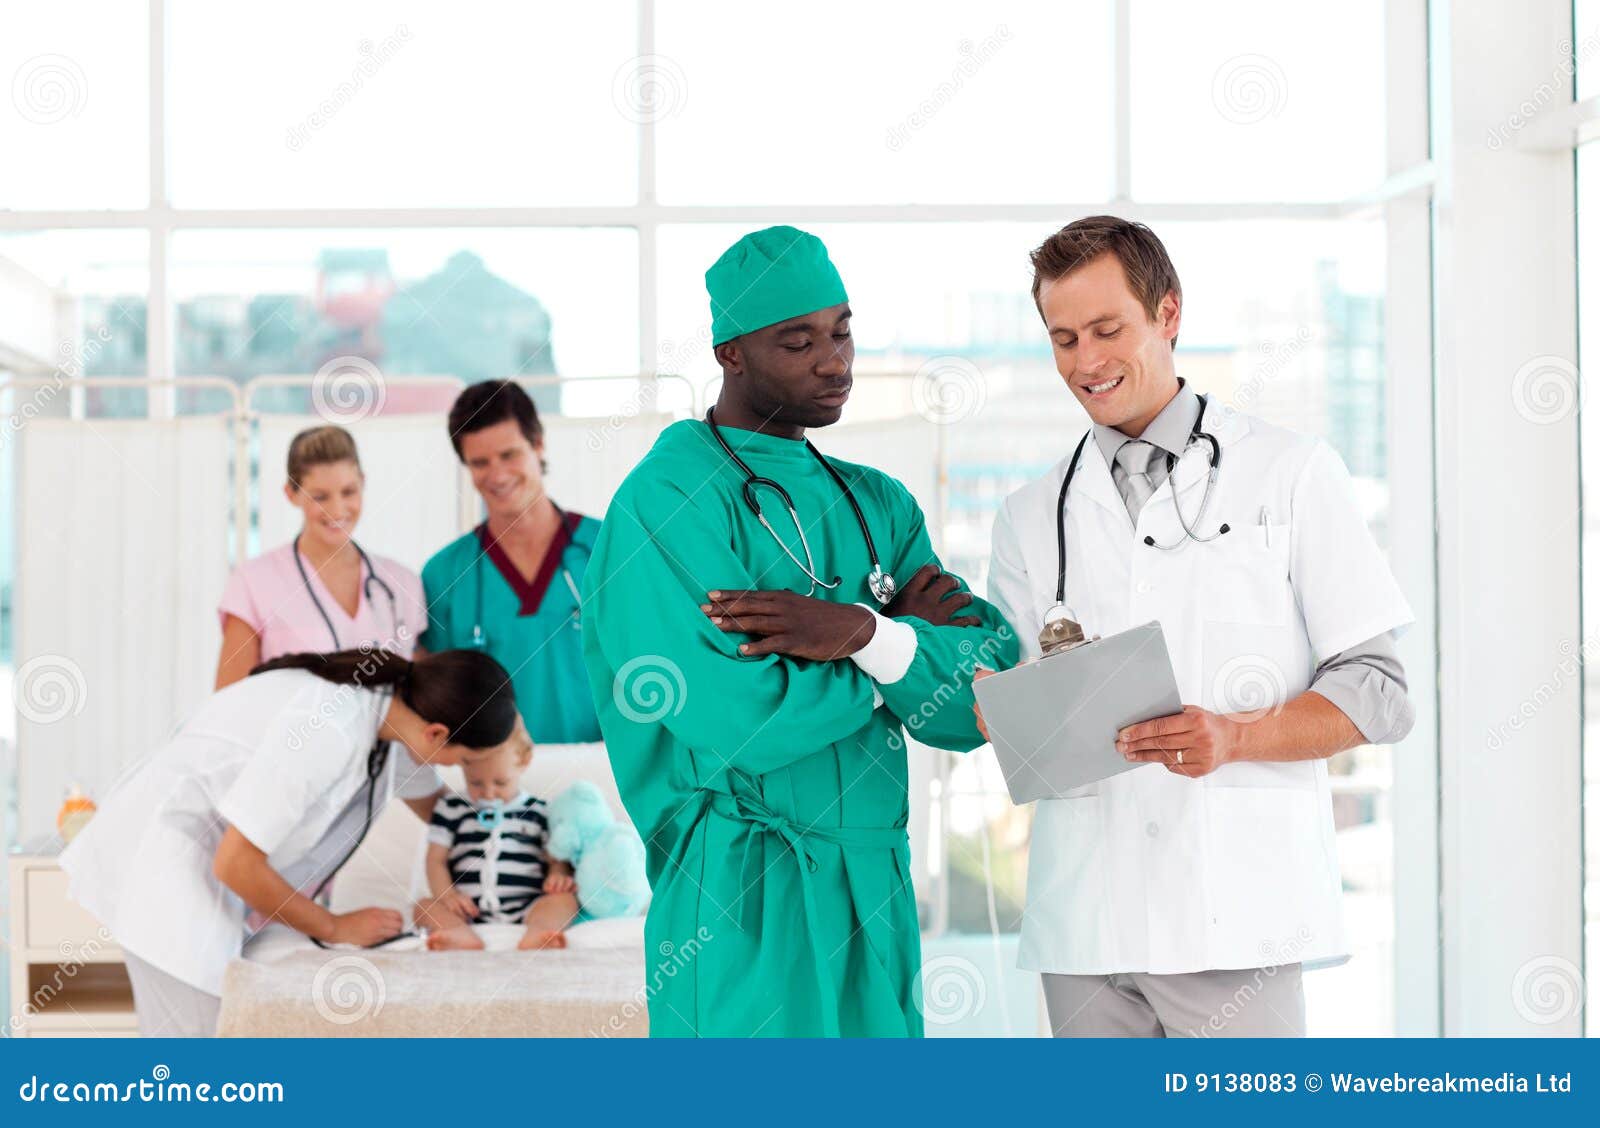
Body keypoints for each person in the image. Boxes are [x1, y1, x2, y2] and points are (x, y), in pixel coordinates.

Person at [981, 216, 1415, 1037]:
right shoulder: (1030, 516)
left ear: (1169, 313)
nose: (1087, 361)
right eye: (1064, 338)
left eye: (1108, 329)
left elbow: (1381, 693)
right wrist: (998, 714)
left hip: (1237, 919)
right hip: (1086, 927)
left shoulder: (1289, 472)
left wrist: (1237, 736)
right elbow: (1018, 713)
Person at [581, 226, 1020, 1037]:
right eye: (798, 340)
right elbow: (741, 721)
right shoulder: (666, 504)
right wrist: (901, 654)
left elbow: (980, 700)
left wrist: (857, 632)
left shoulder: (877, 502)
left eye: (842, 330)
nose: (834, 360)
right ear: (730, 354)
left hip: (874, 885)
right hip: (741, 895)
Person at [59, 648, 519, 1036]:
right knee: (190, 1059)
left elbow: (446, 813)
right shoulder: (329, 729)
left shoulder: (393, 721)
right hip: (163, 860)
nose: (462, 774)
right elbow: (236, 864)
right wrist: (334, 927)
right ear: (436, 734)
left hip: (196, 866)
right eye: (464, 762)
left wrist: (527, 820)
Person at [421, 381, 601, 743]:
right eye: (480, 462)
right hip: (496, 786)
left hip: (605, 775)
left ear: (538, 445)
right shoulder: (444, 575)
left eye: (509, 455)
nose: (497, 475)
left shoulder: (606, 548)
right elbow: (439, 698)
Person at [215, 425, 427, 689]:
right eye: (319, 497)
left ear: (363, 482)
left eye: (348, 492)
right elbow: (229, 701)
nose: (337, 509)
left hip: (391, 732)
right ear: (291, 494)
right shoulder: (252, 583)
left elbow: (420, 690)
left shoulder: (402, 583)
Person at [418, 718, 579, 952]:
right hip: (465, 910)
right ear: (462, 765)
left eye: (500, 782)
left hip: (529, 905)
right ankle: (457, 934)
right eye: (476, 783)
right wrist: (447, 895)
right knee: (423, 906)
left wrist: (557, 874)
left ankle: (539, 933)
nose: (489, 793)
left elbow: (555, 857)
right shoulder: (451, 808)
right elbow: (436, 860)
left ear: (524, 762)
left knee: (564, 901)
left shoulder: (539, 811)